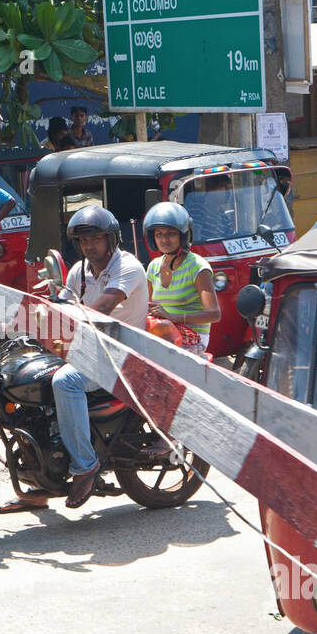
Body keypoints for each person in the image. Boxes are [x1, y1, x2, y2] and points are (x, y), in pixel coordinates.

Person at [55, 205, 148, 507]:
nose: (89, 246)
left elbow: (102, 308)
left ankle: (86, 466)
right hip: (88, 347)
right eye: (83, 241)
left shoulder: (128, 267)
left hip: (123, 353)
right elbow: (63, 308)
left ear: (112, 239)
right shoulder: (78, 271)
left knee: (65, 382)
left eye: (95, 239)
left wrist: (62, 319)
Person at [142, 202, 220, 356]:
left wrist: (174, 318)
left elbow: (214, 314)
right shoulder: (153, 267)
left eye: (171, 233)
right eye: (159, 234)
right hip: (164, 332)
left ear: (183, 236)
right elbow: (149, 306)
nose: (164, 239)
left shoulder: (197, 266)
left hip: (193, 336)